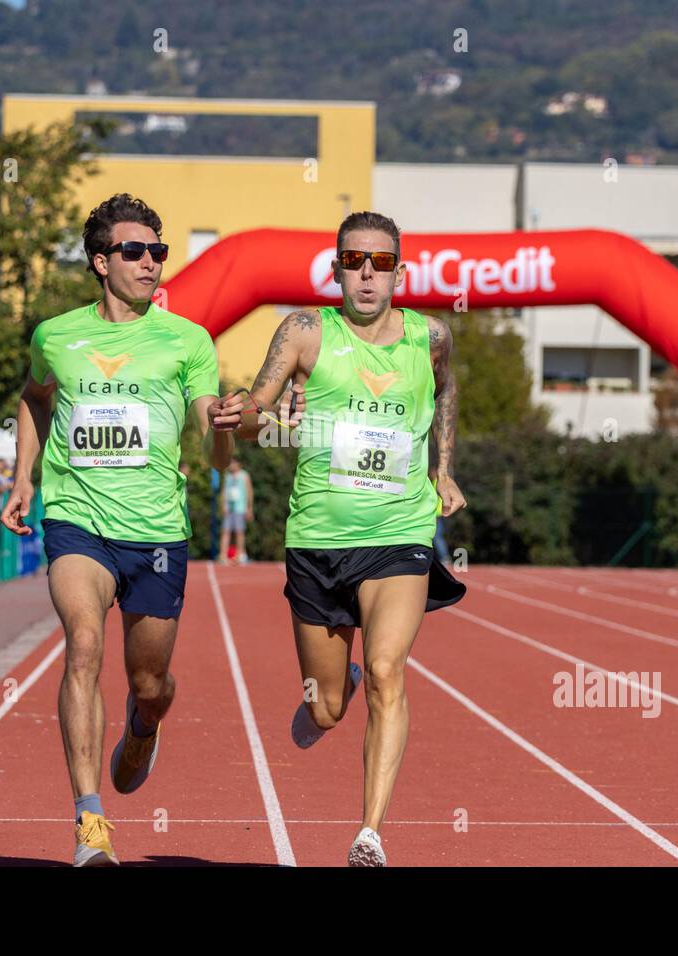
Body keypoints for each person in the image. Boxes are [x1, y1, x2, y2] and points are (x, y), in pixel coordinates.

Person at [211, 210, 468, 866]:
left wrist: (442, 469)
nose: (366, 274)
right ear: (336, 268)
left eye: (380, 263)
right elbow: (261, 409)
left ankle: (370, 834)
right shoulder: (304, 332)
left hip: (400, 531)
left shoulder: (431, 337)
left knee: (389, 670)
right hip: (318, 538)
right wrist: (242, 414)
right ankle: (338, 684)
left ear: (399, 273)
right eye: (354, 260)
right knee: (323, 710)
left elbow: (445, 392)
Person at [0, 193, 233, 867]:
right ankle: (89, 821)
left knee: (150, 680)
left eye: (158, 251)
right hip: (78, 521)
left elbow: (209, 421)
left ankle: (143, 725)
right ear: (102, 262)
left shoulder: (187, 340)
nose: (152, 262)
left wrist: (224, 428)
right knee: (82, 643)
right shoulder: (56, 336)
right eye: (136, 251)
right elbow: (33, 396)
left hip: (157, 531)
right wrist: (24, 476)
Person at [218, 456, 254, 564]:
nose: (232, 465)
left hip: (240, 508)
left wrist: (249, 507)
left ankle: (240, 555)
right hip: (229, 508)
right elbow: (224, 491)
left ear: (239, 464)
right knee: (225, 531)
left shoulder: (244, 475)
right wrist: (223, 504)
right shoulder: (227, 476)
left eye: (234, 463)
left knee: (239, 532)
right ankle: (223, 555)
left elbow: (249, 491)